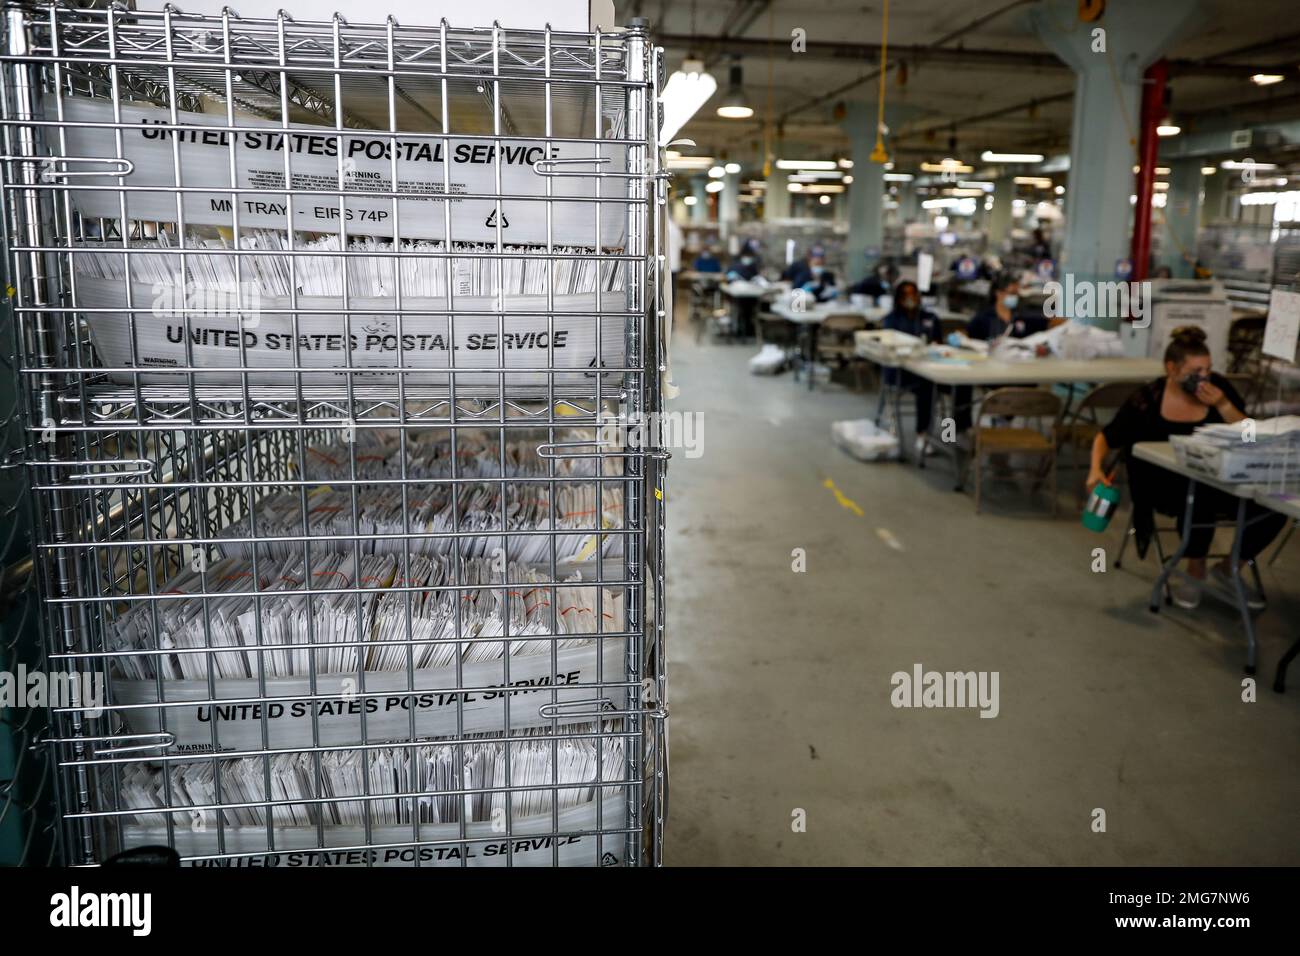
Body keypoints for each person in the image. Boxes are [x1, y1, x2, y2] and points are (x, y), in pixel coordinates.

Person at [1086, 326, 1287, 609]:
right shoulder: (1147, 399)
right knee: (1199, 497)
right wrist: (1095, 470)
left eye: (1207, 369)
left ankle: (1230, 567)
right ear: (1172, 368)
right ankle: (1195, 570)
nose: (1203, 377)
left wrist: (1223, 404)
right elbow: (1105, 437)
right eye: (1196, 370)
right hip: (1162, 482)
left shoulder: (1219, 391)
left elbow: (1250, 435)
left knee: (1275, 503)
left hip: (1219, 476)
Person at [882, 280, 943, 457]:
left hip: (931, 367)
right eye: (905, 295)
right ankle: (922, 434)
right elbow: (890, 347)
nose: (910, 298)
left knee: (957, 389)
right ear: (899, 298)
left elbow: (938, 344)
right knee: (926, 388)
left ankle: (952, 435)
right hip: (902, 371)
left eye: (913, 293)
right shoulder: (892, 319)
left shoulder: (930, 318)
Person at [965, 274, 1046, 342]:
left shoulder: (1022, 317)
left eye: (1017, 294)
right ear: (998, 293)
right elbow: (968, 337)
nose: (1015, 297)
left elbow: (1047, 324)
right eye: (1012, 293)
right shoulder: (983, 318)